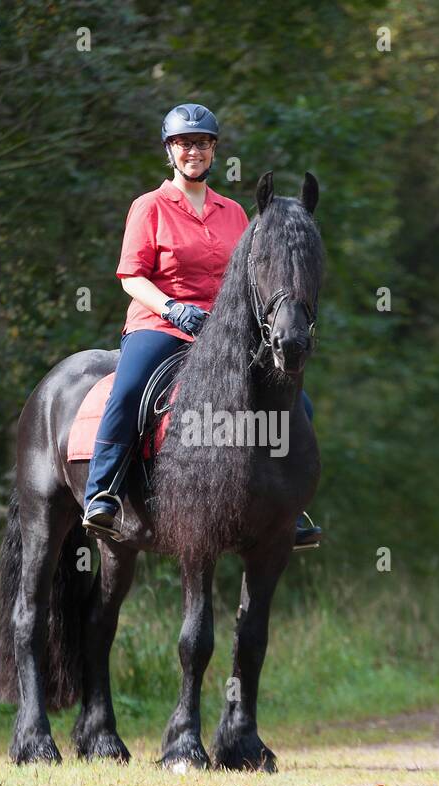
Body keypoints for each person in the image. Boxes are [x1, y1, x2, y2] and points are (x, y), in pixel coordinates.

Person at [82, 103, 322, 549]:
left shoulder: (235, 213)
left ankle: (290, 506)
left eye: (203, 143)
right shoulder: (149, 206)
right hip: (161, 324)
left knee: (297, 402)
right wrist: (173, 309)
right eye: (184, 143)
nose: (194, 151)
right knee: (130, 387)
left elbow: (255, 277)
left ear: (213, 151)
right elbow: (132, 276)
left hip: (226, 333)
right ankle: (104, 492)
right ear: (170, 151)